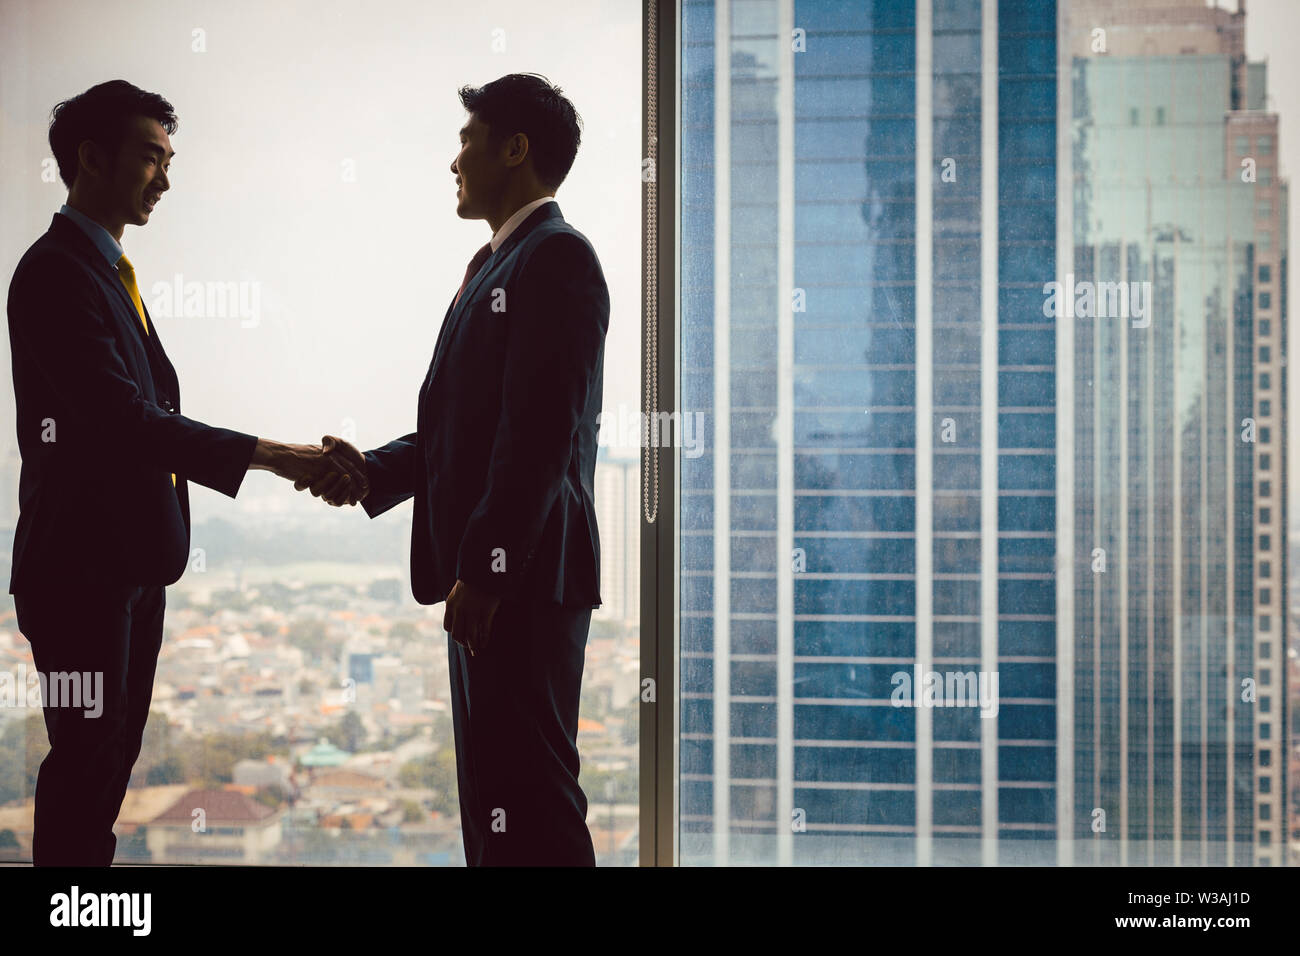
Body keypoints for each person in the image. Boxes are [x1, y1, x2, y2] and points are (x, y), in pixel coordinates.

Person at [6, 79, 366, 866]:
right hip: (79, 575)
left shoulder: (105, 272)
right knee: (85, 769)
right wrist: (281, 456)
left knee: (104, 769)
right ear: (90, 158)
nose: (165, 180)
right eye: (149, 158)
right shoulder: (55, 273)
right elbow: (125, 423)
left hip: (126, 573)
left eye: (169, 160)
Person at [302, 73, 608, 866]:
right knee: (501, 799)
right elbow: (467, 430)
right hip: (503, 576)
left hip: (521, 579)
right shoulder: (497, 265)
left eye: (467, 139)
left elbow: (538, 435)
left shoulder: (556, 258)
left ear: (515, 148)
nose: (455, 160)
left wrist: (490, 566)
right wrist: (370, 470)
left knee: (531, 802)